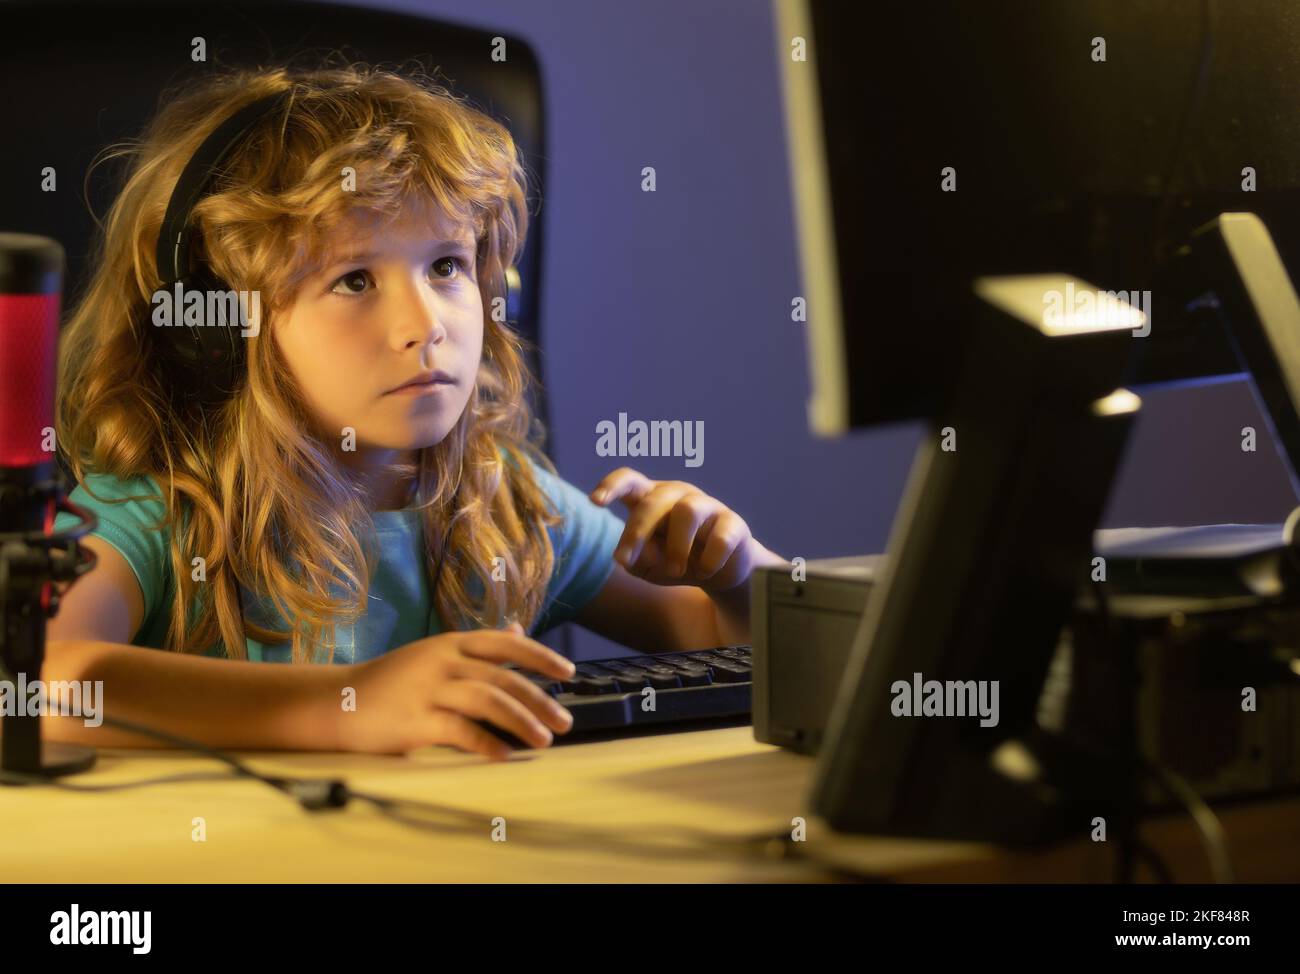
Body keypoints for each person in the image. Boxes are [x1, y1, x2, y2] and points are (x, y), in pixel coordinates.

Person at [45, 63, 787, 759]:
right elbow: (41, 685)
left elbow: (726, 639)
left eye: (445, 265)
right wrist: (348, 705)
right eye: (355, 279)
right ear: (214, 329)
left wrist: (734, 571)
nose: (424, 323)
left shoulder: (509, 501)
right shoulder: (162, 511)